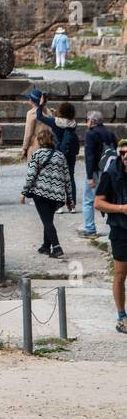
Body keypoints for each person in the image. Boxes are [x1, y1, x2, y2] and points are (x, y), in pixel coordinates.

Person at [92, 138, 127, 334]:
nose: (126, 157)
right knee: (120, 274)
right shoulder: (111, 174)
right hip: (120, 229)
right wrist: (121, 209)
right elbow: (98, 203)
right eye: (122, 153)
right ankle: (122, 316)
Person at [24, 125, 73, 260]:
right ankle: (46, 246)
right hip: (57, 196)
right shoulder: (60, 156)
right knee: (48, 219)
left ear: (40, 141)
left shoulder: (38, 154)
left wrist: (24, 192)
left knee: (47, 221)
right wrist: (69, 198)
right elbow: (67, 178)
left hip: (41, 194)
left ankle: (57, 247)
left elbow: (31, 174)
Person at [36, 100, 81, 211]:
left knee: (57, 178)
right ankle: (72, 205)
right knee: (70, 177)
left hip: (57, 152)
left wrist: (41, 104)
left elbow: (39, 116)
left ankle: (58, 206)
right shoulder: (73, 124)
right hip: (70, 153)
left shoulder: (55, 122)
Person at [82, 111, 116, 238]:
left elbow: (89, 156)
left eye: (87, 119)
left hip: (96, 171)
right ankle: (114, 227)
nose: (86, 122)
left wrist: (90, 176)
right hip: (109, 171)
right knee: (109, 199)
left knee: (88, 200)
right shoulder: (110, 133)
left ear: (92, 121)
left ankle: (90, 229)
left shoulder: (90, 133)